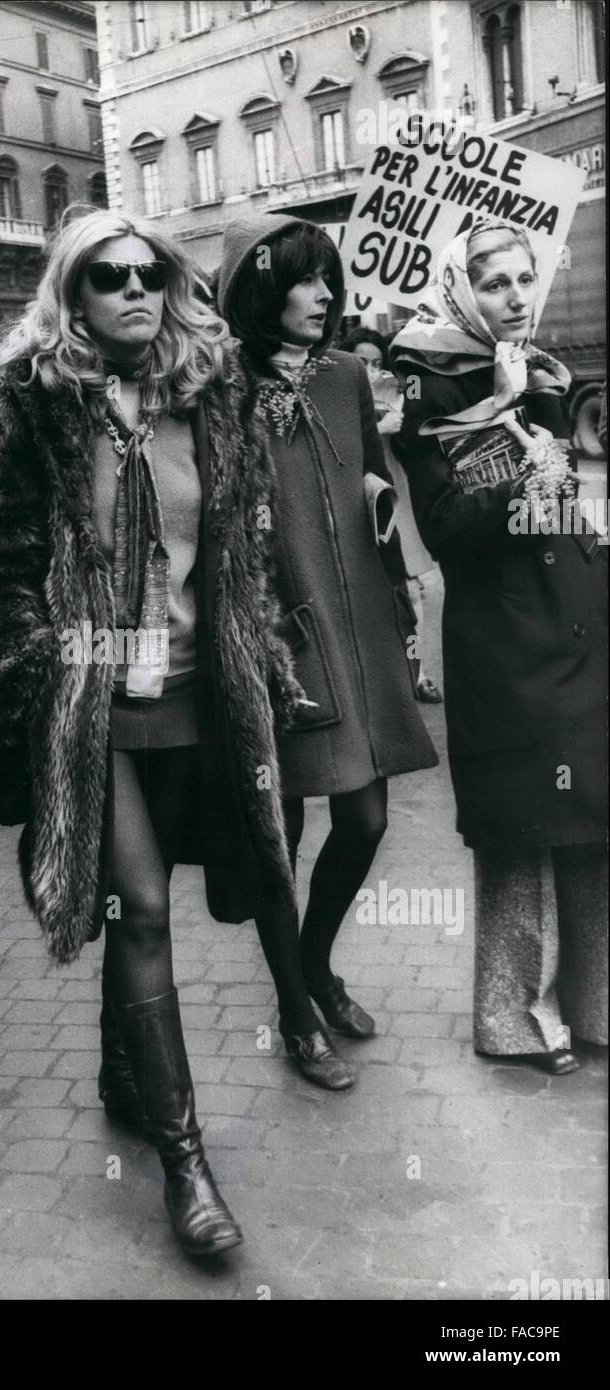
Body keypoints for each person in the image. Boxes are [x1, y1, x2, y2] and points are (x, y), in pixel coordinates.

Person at [0, 208, 312, 1257]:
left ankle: (124, 1061)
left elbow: (242, 542)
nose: (134, 289)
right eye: (107, 276)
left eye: (149, 271)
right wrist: (37, 673)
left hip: (206, 693)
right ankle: (184, 1161)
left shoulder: (212, 388)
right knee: (139, 905)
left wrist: (269, 658)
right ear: (71, 293)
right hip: (92, 702)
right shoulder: (24, 403)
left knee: (167, 900)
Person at [217, 214, 438, 1068]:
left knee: (367, 818)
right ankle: (294, 1010)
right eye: (302, 280)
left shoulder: (346, 375)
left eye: (327, 278)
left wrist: (402, 605)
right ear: (259, 291)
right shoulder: (219, 388)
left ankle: (313, 962)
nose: (322, 294)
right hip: (279, 641)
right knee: (280, 834)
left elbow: (375, 489)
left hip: (360, 633)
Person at [390, 218, 608, 1074]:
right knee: (522, 825)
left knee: (593, 818)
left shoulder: (551, 374)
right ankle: (509, 1018)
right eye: (494, 283)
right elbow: (444, 527)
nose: (515, 297)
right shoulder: (427, 384)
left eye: (524, 280)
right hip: (507, 633)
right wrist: (520, 455)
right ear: (460, 289)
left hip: (582, 620)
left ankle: (593, 1005)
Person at [343, 327, 443, 703]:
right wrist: (374, 427)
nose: (370, 369)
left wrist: (403, 422)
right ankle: (378, 676)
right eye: (361, 362)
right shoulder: (338, 393)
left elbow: (418, 443)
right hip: (359, 500)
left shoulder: (400, 390)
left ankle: (419, 673)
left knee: (415, 588)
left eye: (376, 362)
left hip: (395, 494)